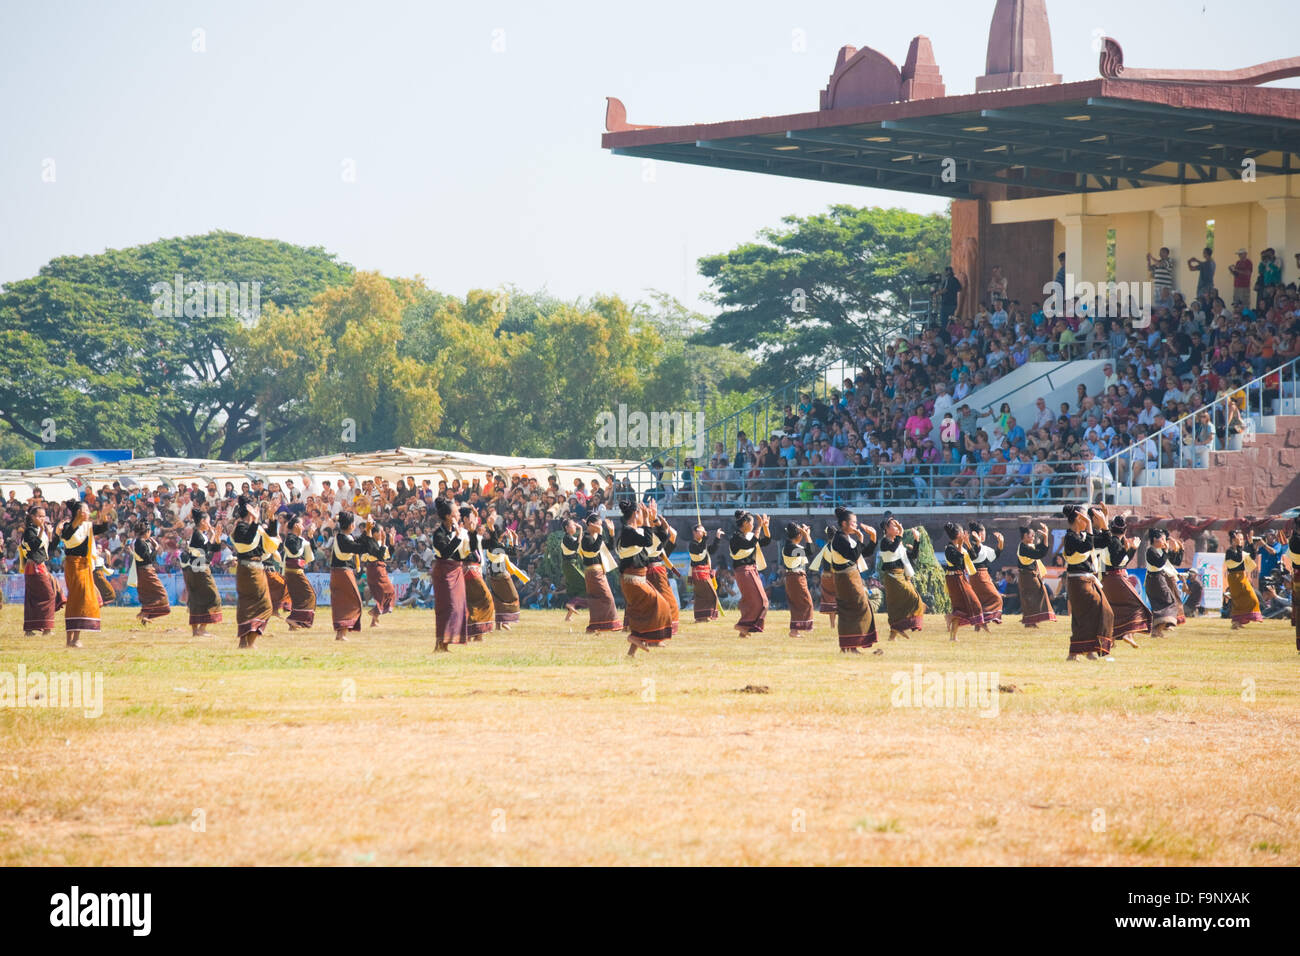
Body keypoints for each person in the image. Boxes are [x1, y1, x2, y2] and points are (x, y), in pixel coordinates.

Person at [616, 500, 673, 656]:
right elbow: (648, 540)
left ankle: (633, 649)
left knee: (644, 611)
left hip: (638, 579)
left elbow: (660, 539)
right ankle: (637, 638)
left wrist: (654, 519)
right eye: (641, 513)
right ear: (636, 513)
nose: (644, 515)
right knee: (660, 605)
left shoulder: (635, 532)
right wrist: (648, 521)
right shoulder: (628, 532)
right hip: (632, 581)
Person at [1061, 504, 1116, 662]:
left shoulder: (1083, 535)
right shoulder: (1071, 537)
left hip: (1087, 580)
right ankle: (1078, 652)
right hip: (1078, 581)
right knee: (1096, 612)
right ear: (1079, 518)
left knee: (1088, 615)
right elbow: (1086, 546)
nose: (1089, 520)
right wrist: (1091, 526)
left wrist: (1104, 521)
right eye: (1086, 517)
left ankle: (1087, 650)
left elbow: (1105, 541)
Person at [827, 507, 879, 654]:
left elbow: (864, 552)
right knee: (858, 608)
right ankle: (851, 645)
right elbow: (853, 555)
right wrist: (861, 539)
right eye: (853, 523)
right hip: (846, 578)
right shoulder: (839, 538)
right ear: (844, 523)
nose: (856, 525)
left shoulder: (846, 537)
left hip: (851, 577)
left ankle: (849, 646)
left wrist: (873, 538)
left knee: (853, 609)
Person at [228, 496, 278, 649]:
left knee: (248, 604)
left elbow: (271, 535)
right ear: (250, 511)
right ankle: (248, 641)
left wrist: (271, 517)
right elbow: (247, 541)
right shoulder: (241, 527)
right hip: (249, 569)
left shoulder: (254, 526)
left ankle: (246, 641)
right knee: (262, 605)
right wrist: (255, 521)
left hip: (254, 568)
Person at [59, 500, 110, 648]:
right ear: (79, 513)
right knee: (76, 597)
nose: (88, 513)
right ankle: (70, 638)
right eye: (86, 510)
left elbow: (103, 528)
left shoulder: (88, 526)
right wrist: (77, 520)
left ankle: (76, 637)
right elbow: (67, 536)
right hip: (73, 565)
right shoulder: (68, 526)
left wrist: (105, 515)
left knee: (83, 599)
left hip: (85, 565)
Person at [1099, 516, 1151, 649]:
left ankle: (1111, 639)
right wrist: (1132, 549)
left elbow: (1121, 560)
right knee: (1138, 606)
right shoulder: (1115, 542)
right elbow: (1118, 562)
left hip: (1106, 580)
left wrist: (1129, 549)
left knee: (1114, 609)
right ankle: (1128, 634)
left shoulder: (1106, 540)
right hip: (1117, 578)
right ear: (1125, 530)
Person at [328, 511, 374, 641]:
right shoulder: (344, 539)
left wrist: (367, 531)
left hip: (338, 573)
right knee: (352, 602)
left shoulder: (343, 537)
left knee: (341, 602)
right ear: (351, 525)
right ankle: (341, 633)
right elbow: (361, 548)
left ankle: (341, 633)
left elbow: (359, 542)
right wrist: (369, 532)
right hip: (343, 574)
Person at [430, 498, 469, 652]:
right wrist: (458, 538)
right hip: (444, 571)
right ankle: (440, 643)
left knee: (459, 607)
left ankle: (446, 643)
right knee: (448, 606)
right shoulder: (438, 534)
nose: (459, 513)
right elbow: (445, 553)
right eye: (456, 511)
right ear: (448, 516)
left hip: (456, 570)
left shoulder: (457, 530)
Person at [877, 517, 924, 640]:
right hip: (892, 577)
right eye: (894, 525)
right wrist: (901, 534)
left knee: (900, 604)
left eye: (898, 525)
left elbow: (913, 556)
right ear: (886, 529)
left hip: (901, 576)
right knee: (912, 598)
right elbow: (892, 549)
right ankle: (897, 628)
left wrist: (916, 540)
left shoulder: (899, 543)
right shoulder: (884, 542)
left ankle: (894, 632)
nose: (897, 528)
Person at [19, 505, 62, 636]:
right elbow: (33, 546)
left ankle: (29, 629)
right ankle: (46, 628)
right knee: (48, 595)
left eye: (44, 516)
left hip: (39, 566)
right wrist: (43, 531)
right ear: (32, 517)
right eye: (39, 516)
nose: (42, 518)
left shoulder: (39, 530)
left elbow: (50, 550)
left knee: (33, 597)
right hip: (35, 567)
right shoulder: (30, 531)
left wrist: (56, 534)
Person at [578, 513, 622, 633]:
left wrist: (611, 533)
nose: (600, 527)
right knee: (607, 598)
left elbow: (609, 548)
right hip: (593, 573)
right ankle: (608, 625)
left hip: (597, 572)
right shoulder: (586, 538)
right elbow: (594, 549)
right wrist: (601, 533)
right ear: (591, 525)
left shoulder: (595, 536)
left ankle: (597, 626)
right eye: (598, 525)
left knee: (597, 600)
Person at [729, 510, 771, 636]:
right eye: (752, 523)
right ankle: (742, 626)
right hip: (744, 571)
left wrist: (765, 527)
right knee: (760, 601)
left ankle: (744, 630)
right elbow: (749, 544)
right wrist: (759, 527)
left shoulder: (749, 535)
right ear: (746, 523)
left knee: (753, 601)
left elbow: (767, 541)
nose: (753, 525)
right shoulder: (736, 537)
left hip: (751, 570)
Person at [183, 509, 224, 636]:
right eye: (208, 521)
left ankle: (197, 630)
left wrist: (215, 536)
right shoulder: (198, 535)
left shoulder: (200, 535)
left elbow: (214, 550)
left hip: (195, 570)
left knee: (196, 600)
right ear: (202, 521)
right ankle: (201, 629)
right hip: (199, 570)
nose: (209, 523)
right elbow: (206, 552)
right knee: (213, 597)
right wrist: (213, 536)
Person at [941, 522, 984, 642]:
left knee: (964, 607)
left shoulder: (962, 548)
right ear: (959, 534)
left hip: (961, 578)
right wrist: (960, 546)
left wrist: (968, 543)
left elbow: (974, 556)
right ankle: (952, 629)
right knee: (967, 605)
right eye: (963, 532)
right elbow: (957, 562)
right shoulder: (949, 549)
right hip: (954, 579)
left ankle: (952, 634)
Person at [644, 500, 680, 636]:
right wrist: (655, 520)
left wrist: (657, 519)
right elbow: (670, 533)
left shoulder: (662, 542)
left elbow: (673, 533)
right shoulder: (650, 536)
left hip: (656, 570)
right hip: (652, 570)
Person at [1143, 527, 1186, 637]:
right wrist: (1166, 551)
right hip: (1155, 579)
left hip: (1158, 578)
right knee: (1169, 602)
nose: (1164, 541)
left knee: (1165, 603)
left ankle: (1157, 629)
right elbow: (1159, 563)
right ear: (1155, 539)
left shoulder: (1159, 550)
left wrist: (1180, 550)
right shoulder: (1151, 550)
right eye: (1162, 539)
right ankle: (1157, 629)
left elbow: (1175, 561)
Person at [460, 506, 495, 641]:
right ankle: (476, 633)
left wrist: (491, 528)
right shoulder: (463, 533)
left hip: (473, 572)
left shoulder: (470, 533)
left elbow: (489, 543)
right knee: (486, 600)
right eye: (473, 518)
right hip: (470, 571)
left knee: (472, 604)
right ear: (465, 520)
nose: (475, 520)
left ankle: (474, 634)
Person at [484, 523, 524, 630]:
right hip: (501, 576)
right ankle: (506, 621)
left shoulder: (490, 544)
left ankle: (499, 624)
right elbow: (513, 552)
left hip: (492, 576)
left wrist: (511, 540)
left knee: (499, 599)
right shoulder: (497, 545)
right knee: (512, 597)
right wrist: (514, 539)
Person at [280, 514, 317, 630]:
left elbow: (312, 554)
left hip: (297, 572)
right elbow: (295, 551)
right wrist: (298, 535)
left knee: (298, 598)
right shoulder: (290, 538)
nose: (303, 526)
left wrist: (311, 537)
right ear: (295, 526)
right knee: (310, 595)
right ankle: (295, 619)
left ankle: (293, 624)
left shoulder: (301, 540)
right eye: (300, 524)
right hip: (294, 573)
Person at [130, 522, 171, 626]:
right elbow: (147, 559)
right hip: (146, 571)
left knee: (148, 595)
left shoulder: (141, 542)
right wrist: (156, 548)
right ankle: (144, 614)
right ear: (147, 532)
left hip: (145, 571)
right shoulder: (140, 543)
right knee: (161, 594)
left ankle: (145, 616)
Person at [1016, 523, 1055, 627]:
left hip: (1030, 576)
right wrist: (1045, 537)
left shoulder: (1028, 546)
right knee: (1036, 595)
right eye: (1032, 535)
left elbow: (1041, 548)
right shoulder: (1024, 548)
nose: (1033, 538)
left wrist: (1045, 536)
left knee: (1033, 597)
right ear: (1025, 536)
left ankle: (1030, 621)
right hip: (1027, 576)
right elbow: (1039, 553)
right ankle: (1030, 621)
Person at [967, 523, 1004, 630]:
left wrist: (1001, 542)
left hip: (981, 576)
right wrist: (977, 542)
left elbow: (996, 554)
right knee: (997, 598)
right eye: (983, 533)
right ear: (978, 534)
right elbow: (974, 555)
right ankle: (984, 620)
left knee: (981, 601)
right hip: (979, 576)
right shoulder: (972, 545)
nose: (984, 535)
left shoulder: (983, 547)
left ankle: (979, 626)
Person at [360, 516, 397, 628]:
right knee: (386, 592)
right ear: (374, 533)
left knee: (383, 593)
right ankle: (375, 613)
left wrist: (391, 543)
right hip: (375, 570)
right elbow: (378, 555)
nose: (382, 534)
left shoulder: (378, 542)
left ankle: (374, 620)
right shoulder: (370, 543)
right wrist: (385, 542)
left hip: (380, 569)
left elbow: (387, 555)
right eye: (380, 532)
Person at [1223, 529, 1263, 628]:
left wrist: (1251, 545)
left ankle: (1239, 621)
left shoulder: (1241, 550)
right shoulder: (1229, 551)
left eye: (1242, 539)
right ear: (1233, 540)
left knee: (1251, 598)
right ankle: (1236, 622)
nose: (1241, 541)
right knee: (1238, 600)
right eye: (1239, 539)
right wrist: (1240, 546)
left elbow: (1252, 557)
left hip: (1242, 576)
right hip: (1234, 578)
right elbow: (1238, 558)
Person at [782, 522, 815, 637]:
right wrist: (806, 535)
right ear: (798, 535)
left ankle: (794, 631)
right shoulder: (792, 548)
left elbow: (806, 549)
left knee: (796, 604)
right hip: (796, 577)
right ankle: (803, 626)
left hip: (792, 577)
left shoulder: (789, 546)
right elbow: (810, 550)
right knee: (807, 602)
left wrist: (805, 534)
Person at [688, 524, 724, 623]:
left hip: (705, 573)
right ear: (694, 533)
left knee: (701, 596)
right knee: (710, 594)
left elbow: (712, 550)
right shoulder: (693, 544)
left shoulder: (703, 544)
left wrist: (717, 537)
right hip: (699, 574)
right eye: (700, 531)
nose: (703, 533)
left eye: (703, 531)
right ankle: (705, 616)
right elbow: (700, 551)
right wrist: (704, 538)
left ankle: (701, 617)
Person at [559, 518, 590, 622]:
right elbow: (576, 545)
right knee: (586, 584)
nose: (575, 527)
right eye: (573, 525)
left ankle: (568, 617)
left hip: (571, 565)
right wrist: (581, 529)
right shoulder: (566, 538)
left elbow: (579, 542)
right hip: (569, 565)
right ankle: (571, 604)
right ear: (567, 528)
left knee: (574, 590)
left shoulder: (570, 537)